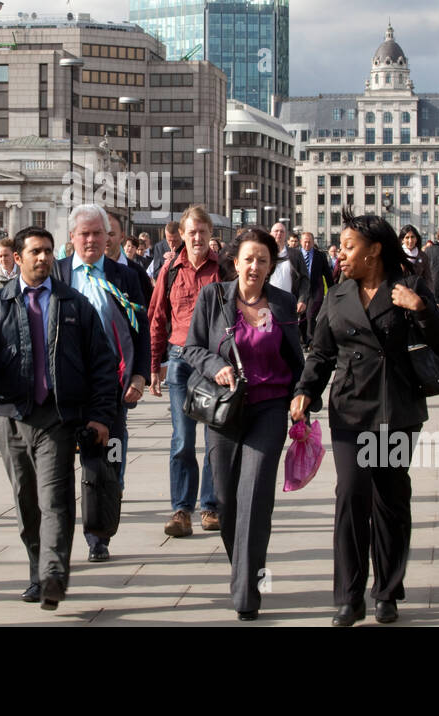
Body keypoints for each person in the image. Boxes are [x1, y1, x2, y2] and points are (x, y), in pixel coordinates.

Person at [293, 210, 439, 626]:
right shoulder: (337, 295)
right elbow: (322, 354)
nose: (341, 254)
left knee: (391, 499)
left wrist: (420, 309)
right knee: (350, 495)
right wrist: (305, 392)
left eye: (350, 247)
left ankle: (387, 591)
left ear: (375, 250)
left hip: (395, 410)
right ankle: (349, 597)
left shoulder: (410, 287)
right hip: (350, 409)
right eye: (341, 247)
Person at [0, 226, 118, 610]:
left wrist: (99, 416)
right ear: (19, 257)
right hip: (11, 416)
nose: (43, 258)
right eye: (35, 252)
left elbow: (102, 365)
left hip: (58, 418)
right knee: (26, 500)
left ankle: (53, 576)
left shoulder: (74, 304)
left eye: (48, 251)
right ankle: (37, 571)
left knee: (55, 499)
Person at [182, 227, 305, 620]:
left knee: (255, 498)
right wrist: (216, 367)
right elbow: (192, 348)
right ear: (235, 262)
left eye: (263, 260)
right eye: (249, 258)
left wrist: (304, 397)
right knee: (227, 502)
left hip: (269, 408)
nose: (255, 266)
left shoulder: (282, 304)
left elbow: (295, 355)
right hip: (223, 411)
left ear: (272, 266)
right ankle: (245, 566)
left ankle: (246, 591)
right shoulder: (213, 298)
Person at [56, 205, 149, 562]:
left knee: (107, 464)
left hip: (110, 387)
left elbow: (140, 330)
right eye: (85, 234)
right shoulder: (58, 274)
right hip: (65, 388)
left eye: (99, 233)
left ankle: (99, 537)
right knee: (59, 468)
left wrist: (140, 375)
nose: (93, 240)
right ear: (73, 238)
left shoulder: (124, 276)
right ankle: (58, 542)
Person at [149, 205, 222, 536]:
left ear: (210, 235)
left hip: (214, 362)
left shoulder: (224, 270)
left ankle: (210, 506)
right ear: (182, 235)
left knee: (213, 438)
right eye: (191, 232)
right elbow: (157, 318)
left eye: (202, 232)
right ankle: (181, 510)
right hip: (179, 361)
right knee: (182, 439)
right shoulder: (171, 271)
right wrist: (154, 366)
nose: (197, 238)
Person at [106, 210, 152, 303]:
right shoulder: (87, 270)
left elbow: (146, 307)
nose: (106, 239)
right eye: (101, 233)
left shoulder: (138, 272)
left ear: (122, 236)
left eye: (111, 234)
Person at [267, 222, 310, 321]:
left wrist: (302, 300)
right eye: (276, 231)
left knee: (290, 334)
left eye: (282, 231)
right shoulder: (265, 254)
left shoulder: (296, 254)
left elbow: (304, 279)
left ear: (285, 235)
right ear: (270, 234)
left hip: (290, 303)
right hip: (268, 304)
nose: (279, 234)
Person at [299, 231, 333, 347]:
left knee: (310, 315)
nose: (307, 244)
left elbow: (328, 274)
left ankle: (311, 341)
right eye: (305, 242)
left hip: (316, 291)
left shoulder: (320, 256)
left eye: (309, 242)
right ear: (301, 242)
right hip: (300, 292)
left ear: (313, 242)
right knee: (302, 317)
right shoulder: (296, 255)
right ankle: (304, 340)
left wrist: (332, 290)